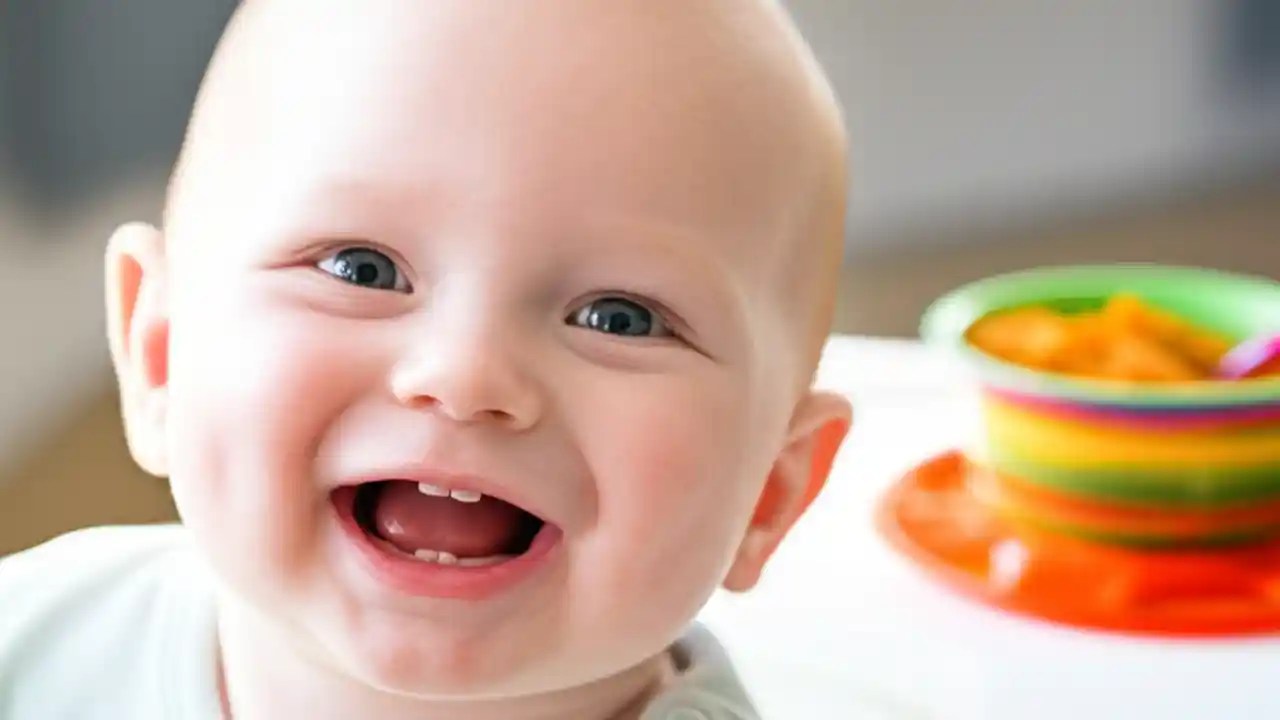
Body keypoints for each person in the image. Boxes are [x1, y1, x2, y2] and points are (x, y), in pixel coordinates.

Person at [0, 1, 852, 717]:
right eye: (359, 269)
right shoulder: (32, 641)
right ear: (161, 356)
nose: (466, 375)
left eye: (619, 318)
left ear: (768, 497)